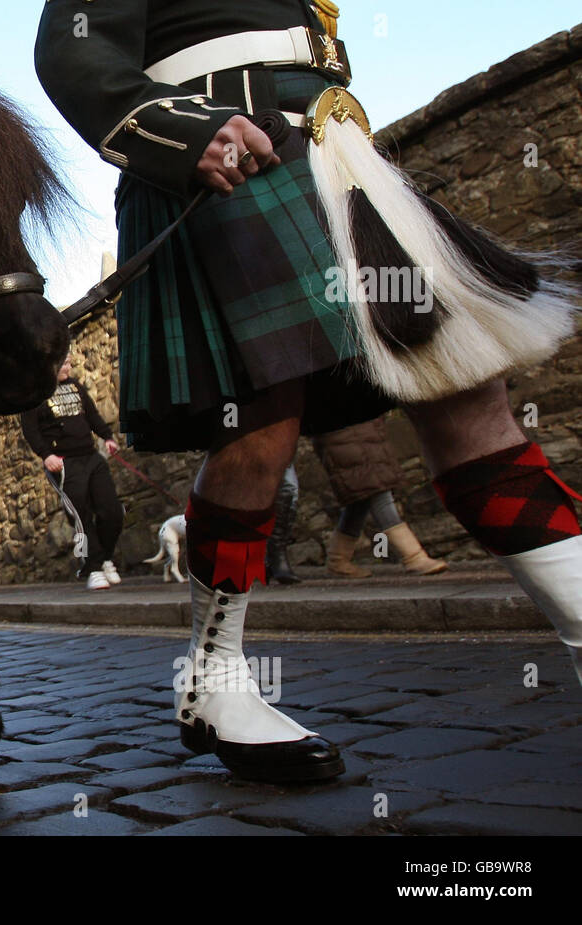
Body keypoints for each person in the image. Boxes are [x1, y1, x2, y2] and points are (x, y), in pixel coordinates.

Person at [35, 0, 581, 782]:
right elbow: (72, 49)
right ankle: (216, 680)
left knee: (463, 386)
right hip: (230, 148)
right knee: (261, 424)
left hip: (339, 153)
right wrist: (182, 133)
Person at [20, 354, 125, 590]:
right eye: (63, 363)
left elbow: (92, 415)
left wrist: (107, 437)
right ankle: (93, 568)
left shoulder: (75, 386)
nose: (68, 367)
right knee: (79, 517)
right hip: (65, 464)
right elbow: (31, 430)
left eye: (68, 363)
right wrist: (46, 455)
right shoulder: (34, 395)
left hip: (91, 457)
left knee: (112, 511)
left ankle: (104, 559)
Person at [313, 416, 446, 578]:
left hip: (362, 434)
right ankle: (414, 557)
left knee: (360, 501)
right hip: (345, 435)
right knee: (378, 495)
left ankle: (338, 560)